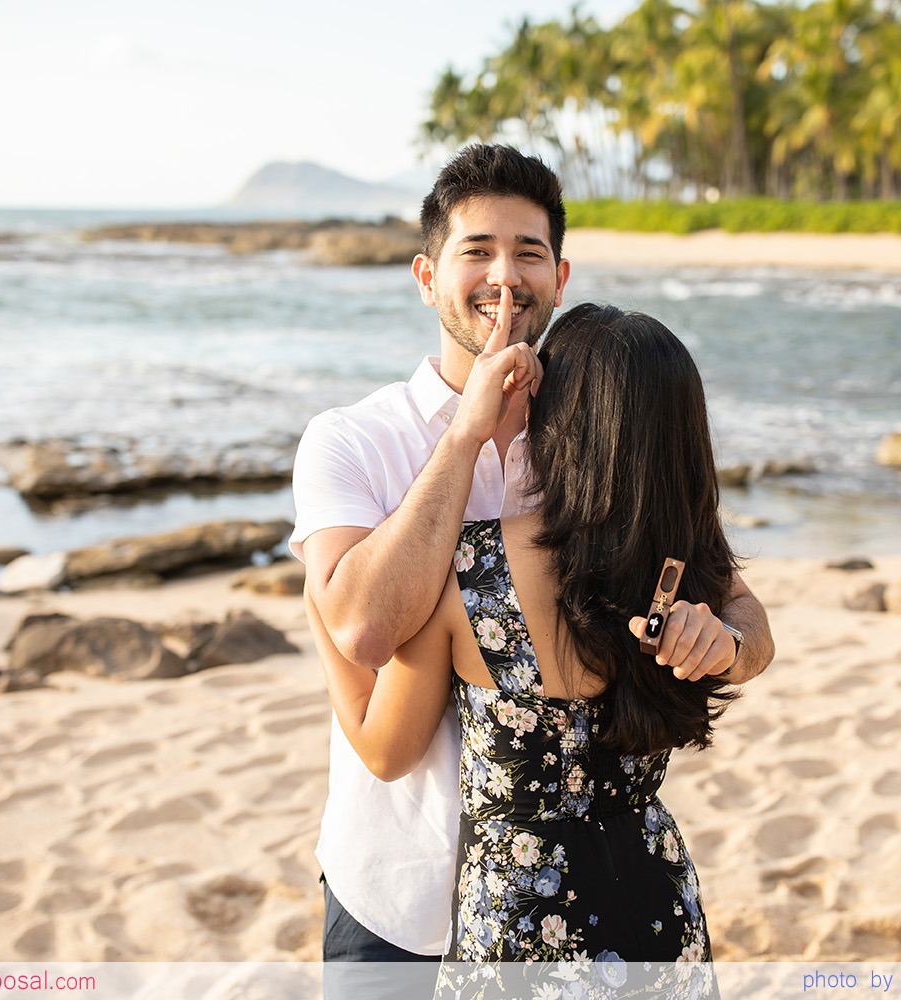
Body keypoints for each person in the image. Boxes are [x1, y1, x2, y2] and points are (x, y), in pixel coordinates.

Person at [290, 145, 774, 979]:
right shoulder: (352, 440)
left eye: (529, 253)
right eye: (475, 251)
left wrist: (725, 641)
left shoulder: (596, 439)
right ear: (425, 275)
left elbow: (740, 610)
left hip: (548, 902)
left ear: (561, 272)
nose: (504, 277)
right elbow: (366, 628)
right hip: (395, 889)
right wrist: (467, 429)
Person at [325, 302, 749, 997]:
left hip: (519, 924)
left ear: (561, 420)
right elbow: (749, 634)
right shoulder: (688, 572)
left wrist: (322, 610)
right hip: (655, 900)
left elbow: (383, 749)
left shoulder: (475, 571)